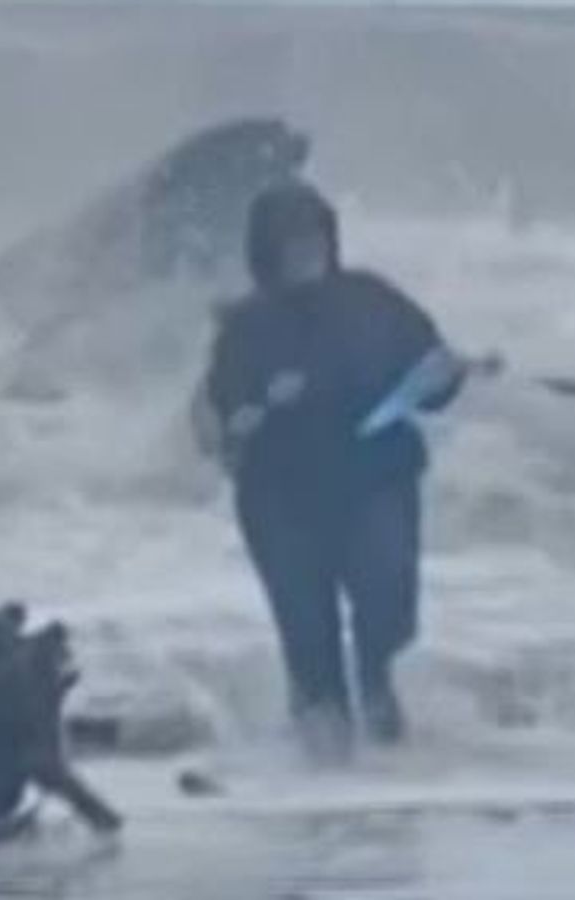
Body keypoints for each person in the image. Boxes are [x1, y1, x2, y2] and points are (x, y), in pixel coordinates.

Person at [202, 180, 469, 763]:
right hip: (282, 500)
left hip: (374, 482)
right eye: (292, 244)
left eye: (315, 239)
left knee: (387, 609)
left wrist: (446, 375)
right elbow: (223, 420)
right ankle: (323, 771)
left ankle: (388, 747)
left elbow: (430, 375)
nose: (306, 254)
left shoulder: (375, 302)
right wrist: (262, 406)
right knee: (308, 640)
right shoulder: (244, 328)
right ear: (265, 252)